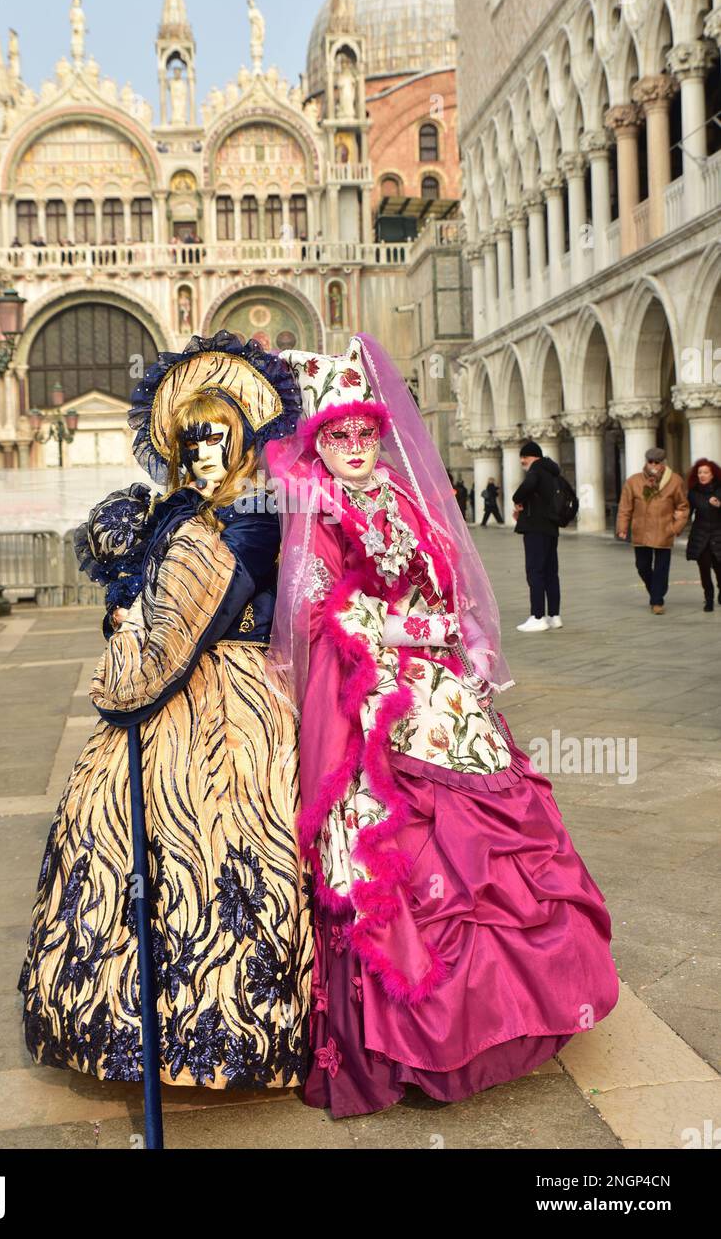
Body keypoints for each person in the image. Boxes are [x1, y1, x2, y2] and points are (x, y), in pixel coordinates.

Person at [265, 335, 618, 1118]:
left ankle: (508, 1018)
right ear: (318, 441)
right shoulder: (315, 506)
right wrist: (405, 635)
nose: (356, 449)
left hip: (444, 699)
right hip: (371, 697)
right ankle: (415, 1042)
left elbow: (446, 576)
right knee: (401, 856)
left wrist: (457, 635)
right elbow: (317, 606)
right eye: (339, 437)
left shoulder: (406, 495)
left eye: (365, 434)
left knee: (497, 848)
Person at [18, 331, 313, 1090]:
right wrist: (122, 614)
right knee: (115, 829)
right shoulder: (172, 516)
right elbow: (138, 609)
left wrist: (139, 639)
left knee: (231, 841)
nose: (204, 452)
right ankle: (130, 1024)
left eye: (217, 436)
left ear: (246, 437)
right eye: (190, 439)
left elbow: (200, 616)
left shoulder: (253, 517)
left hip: (236, 702)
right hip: (164, 691)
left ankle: (228, 1033)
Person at [616, 446, 689, 615]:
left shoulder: (675, 481)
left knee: (662, 568)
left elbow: (683, 506)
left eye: (657, 462)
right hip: (641, 530)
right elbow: (625, 507)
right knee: (642, 566)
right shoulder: (633, 481)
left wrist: (675, 528)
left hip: (664, 530)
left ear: (663, 463)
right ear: (646, 462)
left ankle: (657, 601)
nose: (653, 465)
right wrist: (622, 528)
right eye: (650, 462)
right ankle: (656, 592)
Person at [512, 441, 562, 632]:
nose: (522, 461)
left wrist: (517, 499)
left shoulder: (536, 471)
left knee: (535, 571)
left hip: (536, 528)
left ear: (531, 456)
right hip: (551, 528)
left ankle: (538, 616)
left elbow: (525, 489)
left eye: (524, 457)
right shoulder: (552, 472)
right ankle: (554, 616)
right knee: (551, 572)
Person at [685, 457, 721, 612]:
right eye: (700, 472)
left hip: (719, 534)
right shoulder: (693, 493)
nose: (702, 475)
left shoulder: (720, 490)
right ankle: (708, 598)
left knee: (720, 569)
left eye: (706, 472)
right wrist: (674, 526)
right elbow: (686, 513)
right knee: (704, 569)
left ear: (713, 474)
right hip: (700, 535)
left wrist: (720, 505)